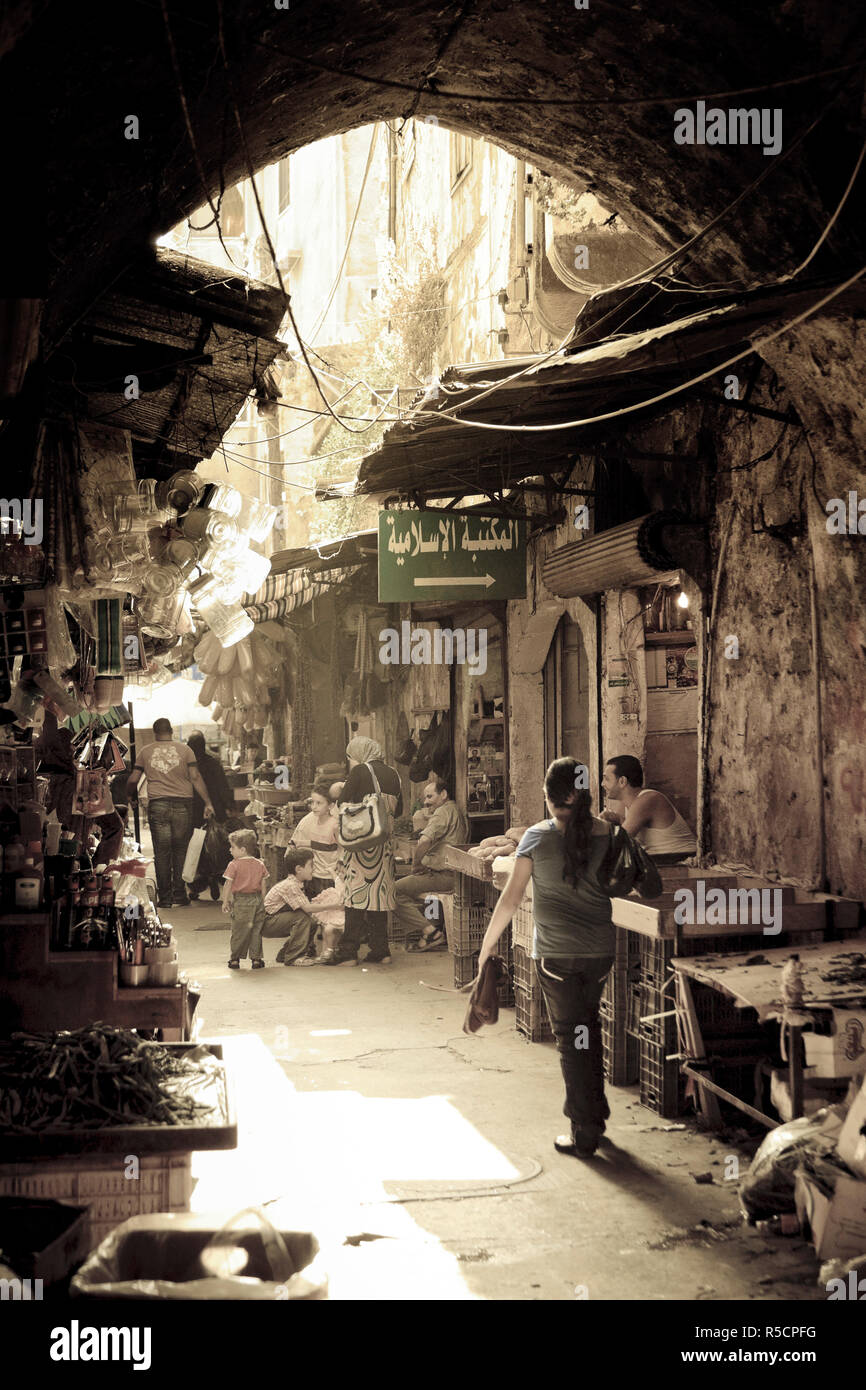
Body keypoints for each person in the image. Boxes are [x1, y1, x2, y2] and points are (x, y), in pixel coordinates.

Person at [477, 756, 643, 1159]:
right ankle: (596, 1113)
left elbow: (510, 899)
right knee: (590, 1026)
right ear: (585, 793)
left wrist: (487, 947)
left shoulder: (536, 837)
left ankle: (584, 1130)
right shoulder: (611, 831)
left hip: (556, 956)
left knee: (572, 1038)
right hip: (600, 952)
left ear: (548, 796)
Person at [324, 737, 402, 966]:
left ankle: (349, 951)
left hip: (361, 842)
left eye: (351, 757)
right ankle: (381, 950)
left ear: (358, 753)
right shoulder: (394, 774)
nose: (351, 761)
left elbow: (342, 805)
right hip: (384, 844)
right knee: (379, 897)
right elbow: (400, 810)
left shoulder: (360, 771)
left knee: (355, 897)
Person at [127, 718, 214, 908]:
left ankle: (165, 898)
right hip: (183, 804)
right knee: (180, 849)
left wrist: (130, 796)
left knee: (162, 851)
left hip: (158, 804)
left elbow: (133, 778)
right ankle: (179, 894)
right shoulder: (186, 751)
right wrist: (207, 802)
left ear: (155, 732)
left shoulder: (145, 752)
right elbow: (195, 777)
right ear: (171, 731)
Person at [394, 775, 468, 950]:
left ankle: (430, 932)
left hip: (443, 876)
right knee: (429, 893)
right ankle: (432, 932)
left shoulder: (442, 812)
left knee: (392, 891)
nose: (426, 802)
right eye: (424, 798)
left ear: (443, 794)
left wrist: (416, 865)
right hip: (449, 875)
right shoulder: (454, 810)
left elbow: (423, 841)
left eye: (430, 797)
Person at [600, 754, 696, 862]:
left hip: (683, 863)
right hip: (659, 861)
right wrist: (616, 820)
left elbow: (620, 843)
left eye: (606, 779)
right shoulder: (626, 803)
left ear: (622, 781)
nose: (602, 784)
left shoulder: (648, 799)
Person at [263, 847, 328, 966]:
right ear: (298, 869)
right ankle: (294, 957)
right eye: (311, 865)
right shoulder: (290, 885)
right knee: (302, 918)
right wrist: (334, 905)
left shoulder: (297, 883)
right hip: (267, 922)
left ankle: (286, 953)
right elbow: (308, 908)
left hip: (274, 920)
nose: (313, 869)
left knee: (311, 921)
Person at [222, 828, 269, 970]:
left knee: (239, 930)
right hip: (257, 901)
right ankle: (256, 959)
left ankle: (235, 959)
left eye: (232, 847)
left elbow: (228, 884)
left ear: (242, 849)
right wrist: (264, 902)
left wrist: (225, 901)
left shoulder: (233, 865)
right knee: (256, 930)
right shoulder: (260, 864)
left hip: (241, 901)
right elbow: (263, 885)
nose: (230, 850)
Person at [290, 782, 340, 896]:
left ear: (331, 806)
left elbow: (340, 849)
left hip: (329, 877)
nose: (314, 806)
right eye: (312, 802)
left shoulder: (335, 825)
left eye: (319, 803)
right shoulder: (310, 822)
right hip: (313, 875)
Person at [187, 731, 234, 823]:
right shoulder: (213, 763)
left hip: (192, 809)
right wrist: (229, 806)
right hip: (215, 807)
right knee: (214, 835)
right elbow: (222, 786)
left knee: (195, 836)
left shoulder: (185, 764)